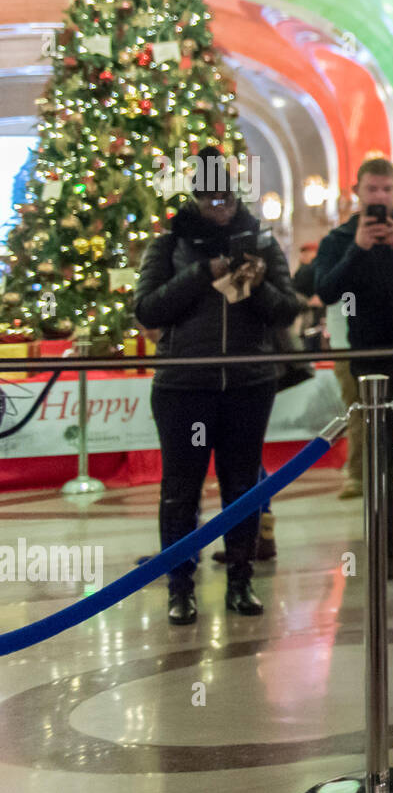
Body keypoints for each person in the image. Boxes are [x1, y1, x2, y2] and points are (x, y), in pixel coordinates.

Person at [135, 148, 300, 625]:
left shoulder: (260, 245)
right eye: (210, 198)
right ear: (195, 198)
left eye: (226, 197)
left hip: (248, 385)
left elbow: (286, 312)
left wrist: (251, 280)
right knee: (180, 489)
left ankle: (241, 581)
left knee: (242, 485)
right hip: (184, 385)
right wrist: (200, 274)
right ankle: (180, 587)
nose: (221, 206)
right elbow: (147, 310)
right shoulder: (169, 245)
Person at [314, 157, 393, 495]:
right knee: (364, 419)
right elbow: (326, 290)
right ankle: (364, 480)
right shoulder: (339, 239)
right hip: (361, 349)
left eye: (387, 189)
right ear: (358, 192)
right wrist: (358, 249)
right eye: (372, 189)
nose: (380, 196)